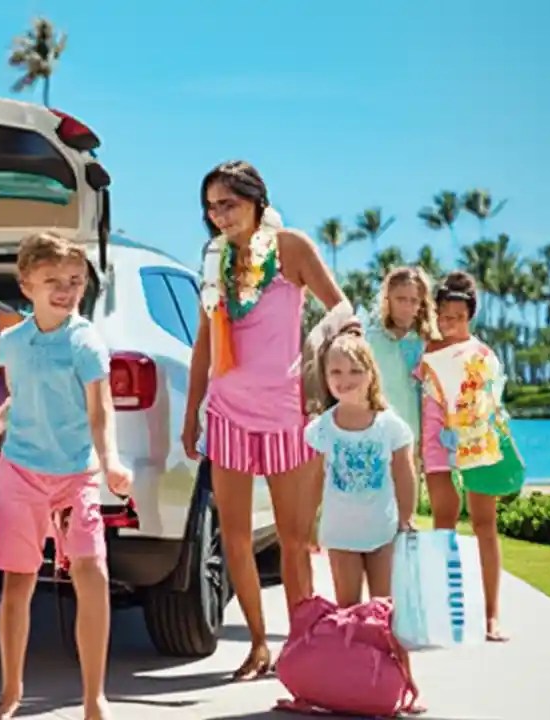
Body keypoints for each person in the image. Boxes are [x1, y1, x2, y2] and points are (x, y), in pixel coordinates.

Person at [180, 160, 356, 681]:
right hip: (227, 413)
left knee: (294, 540)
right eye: (211, 208)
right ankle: (258, 645)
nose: (219, 216)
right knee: (235, 537)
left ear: (257, 200)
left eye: (228, 204)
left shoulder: (291, 247)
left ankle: (301, 644)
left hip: (287, 413)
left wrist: (328, 361)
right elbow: (204, 344)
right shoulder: (214, 260)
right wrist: (192, 414)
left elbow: (342, 308)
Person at [0, 231, 134, 720]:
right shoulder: (12, 343)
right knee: (18, 583)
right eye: (53, 280)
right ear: (26, 285)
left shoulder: (86, 342)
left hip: (75, 475)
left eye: (75, 280)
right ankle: (10, 694)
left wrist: (112, 461)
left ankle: (95, 698)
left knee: (91, 573)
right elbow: (16, 402)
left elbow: (100, 411)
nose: (66, 289)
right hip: (21, 473)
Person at [417, 271, 523, 642]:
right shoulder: (426, 352)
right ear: (436, 314)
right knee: (443, 525)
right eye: (445, 316)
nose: (450, 324)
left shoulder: (483, 356)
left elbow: (493, 409)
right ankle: (443, 614)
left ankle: (492, 616)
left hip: (477, 446)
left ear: (470, 317)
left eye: (458, 318)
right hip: (436, 446)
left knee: (484, 525)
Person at [304, 326, 419, 606]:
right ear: (325, 377)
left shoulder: (390, 426)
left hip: (384, 532)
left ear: (371, 374)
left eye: (355, 371)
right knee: (349, 611)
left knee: (386, 609)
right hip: (340, 534)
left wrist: (406, 519)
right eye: (336, 372)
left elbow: (405, 475)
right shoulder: (321, 429)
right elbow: (313, 481)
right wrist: (309, 524)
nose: (345, 380)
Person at [366, 266, 439, 445]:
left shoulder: (428, 343)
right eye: (400, 299)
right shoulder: (371, 339)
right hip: (379, 434)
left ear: (421, 304)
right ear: (387, 299)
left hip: (418, 437)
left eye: (413, 301)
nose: (407, 307)